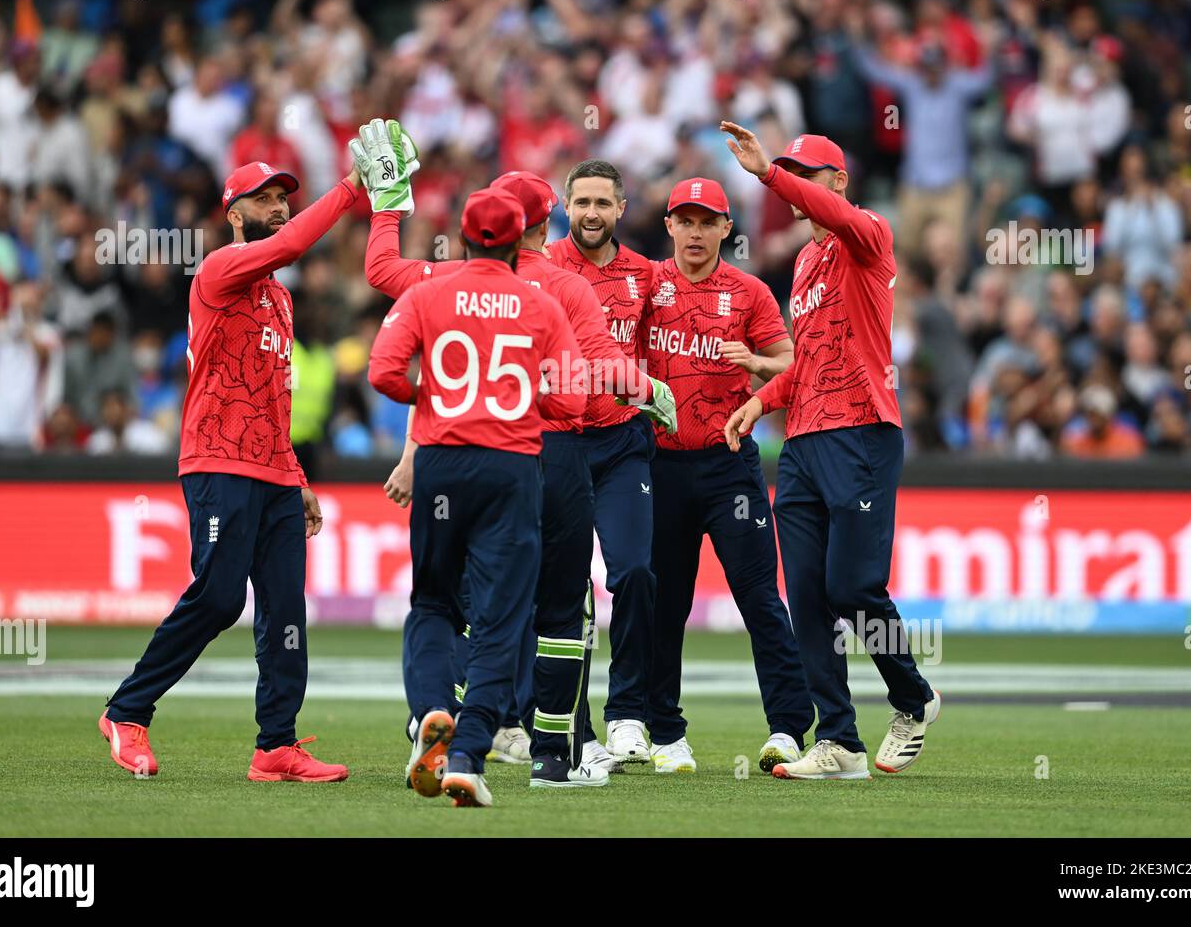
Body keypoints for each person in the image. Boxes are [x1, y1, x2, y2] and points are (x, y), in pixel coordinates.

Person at [360, 119, 673, 785]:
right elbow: (593, 378)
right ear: (541, 224)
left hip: (454, 456)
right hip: (544, 457)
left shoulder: (441, 277)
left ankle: (434, 715)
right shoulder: (564, 287)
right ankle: (555, 753)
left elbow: (381, 273)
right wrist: (647, 388)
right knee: (558, 609)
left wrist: (388, 205)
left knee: (447, 602)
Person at [98, 157, 363, 782]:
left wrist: (296, 475)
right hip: (217, 459)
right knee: (219, 599)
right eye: (264, 198)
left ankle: (276, 744)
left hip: (272, 470)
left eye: (282, 197)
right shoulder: (219, 269)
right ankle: (127, 711)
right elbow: (296, 242)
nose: (278, 207)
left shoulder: (282, 300)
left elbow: (275, 397)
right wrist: (353, 186)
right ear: (234, 212)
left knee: (284, 609)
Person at [721, 122, 939, 780]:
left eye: (804, 178)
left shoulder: (868, 234)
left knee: (853, 587)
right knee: (809, 595)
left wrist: (765, 173)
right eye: (791, 180)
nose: (795, 193)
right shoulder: (805, 263)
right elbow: (808, 363)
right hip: (802, 443)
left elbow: (836, 215)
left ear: (837, 182)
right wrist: (760, 400)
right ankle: (839, 740)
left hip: (863, 431)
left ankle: (913, 697)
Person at [367, 186, 588, 808]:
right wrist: (520, 400)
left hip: (441, 463)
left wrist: (431, 399)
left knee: (434, 601)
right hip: (512, 468)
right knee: (503, 619)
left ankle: (432, 708)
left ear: (462, 237)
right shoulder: (540, 303)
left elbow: (383, 371)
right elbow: (572, 399)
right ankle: (467, 757)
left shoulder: (427, 292)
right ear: (521, 242)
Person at [641, 177, 813, 775]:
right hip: (660, 464)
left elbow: (795, 364)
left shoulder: (750, 293)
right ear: (668, 226)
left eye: (706, 221)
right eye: (684, 220)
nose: (694, 231)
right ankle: (665, 732)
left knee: (760, 597)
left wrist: (758, 363)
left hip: (729, 464)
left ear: (725, 229)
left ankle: (789, 729)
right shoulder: (645, 286)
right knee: (666, 604)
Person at [546, 159, 661, 764]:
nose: (591, 213)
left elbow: (672, 350)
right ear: (565, 205)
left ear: (621, 208)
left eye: (602, 203)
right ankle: (570, 724)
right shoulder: (537, 269)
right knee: (565, 589)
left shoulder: (647, 275)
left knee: (636, 573)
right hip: (556, 443)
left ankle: (628, 716)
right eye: (581, 202)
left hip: (621, 445)